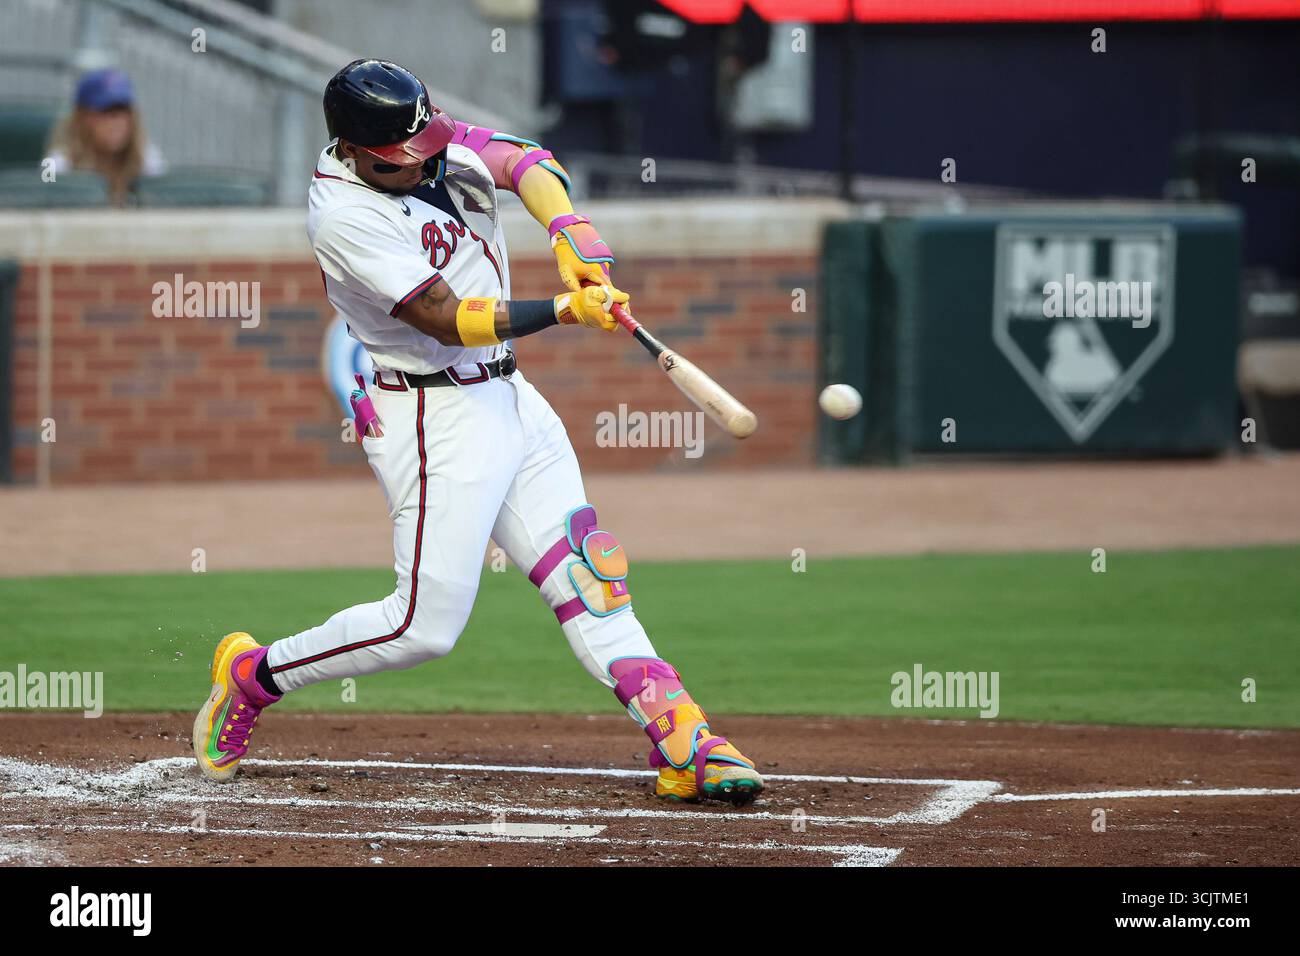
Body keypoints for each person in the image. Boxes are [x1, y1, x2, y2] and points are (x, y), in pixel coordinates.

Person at [192, 59, 763, 805]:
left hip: (509, 398)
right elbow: (443, 319)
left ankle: (686, 739)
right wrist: (562, 310)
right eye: (409, 154)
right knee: (420, 629)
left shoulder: (417, 139)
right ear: (362, 154)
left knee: (590, 575)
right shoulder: (344, 216)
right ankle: (253, 676)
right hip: (432, 413)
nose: (430, 154)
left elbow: (522, 158)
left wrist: (570, 231)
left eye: (429, 139)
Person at [45, 67, 167, 205]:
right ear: (83, 117)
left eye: (123, 112)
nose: (117, 122)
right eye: (106, 112)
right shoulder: (56, 163)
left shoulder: (148, 158)